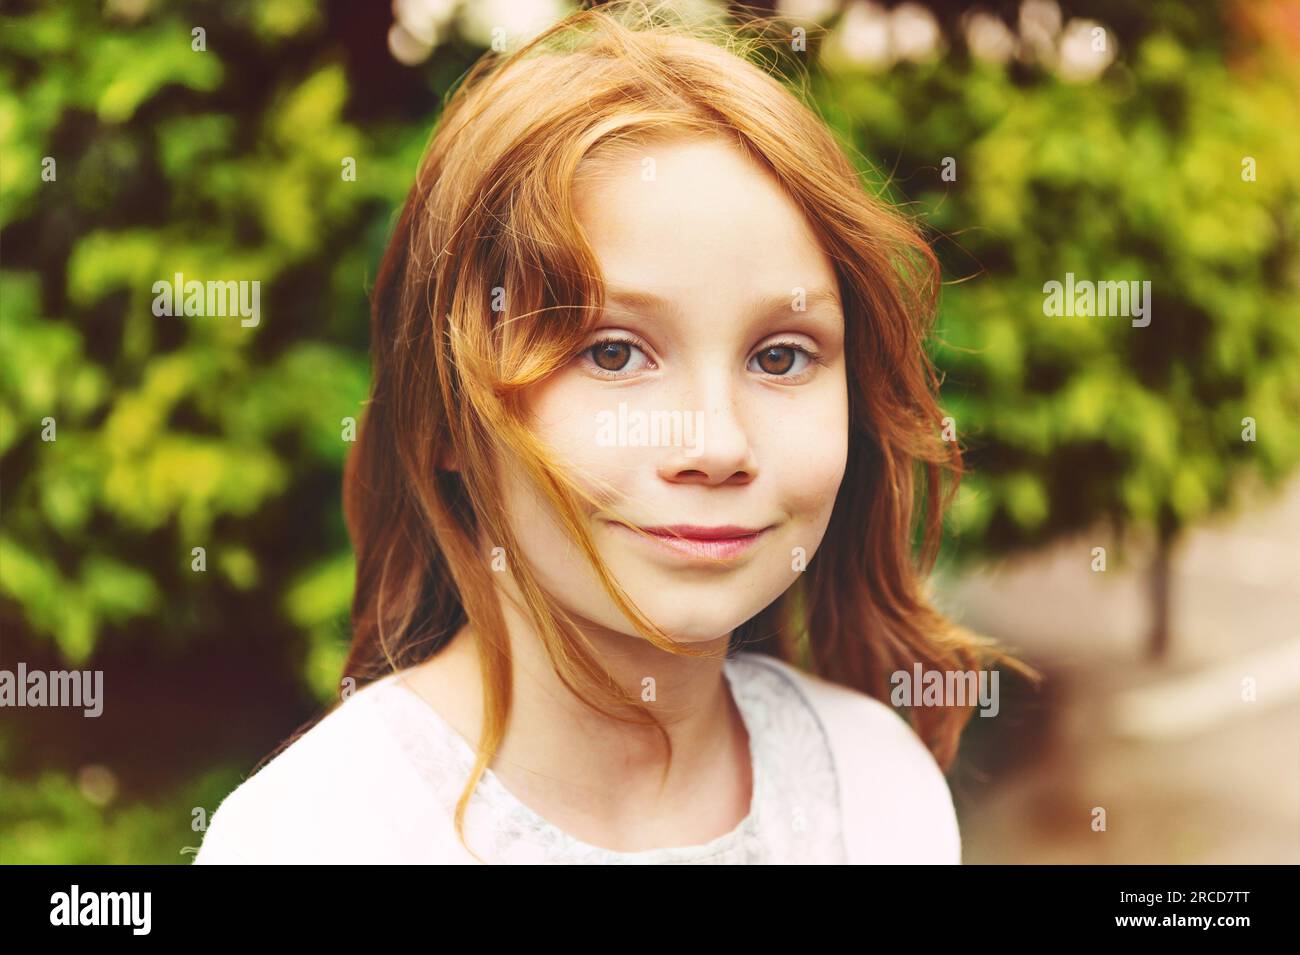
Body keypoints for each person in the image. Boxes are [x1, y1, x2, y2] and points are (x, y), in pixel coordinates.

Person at [195, 0, 1028, 865]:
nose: (716, 444)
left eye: (780, 357)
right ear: (448, 414)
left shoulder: (877, 787)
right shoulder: (309, 837)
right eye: (614, 352)